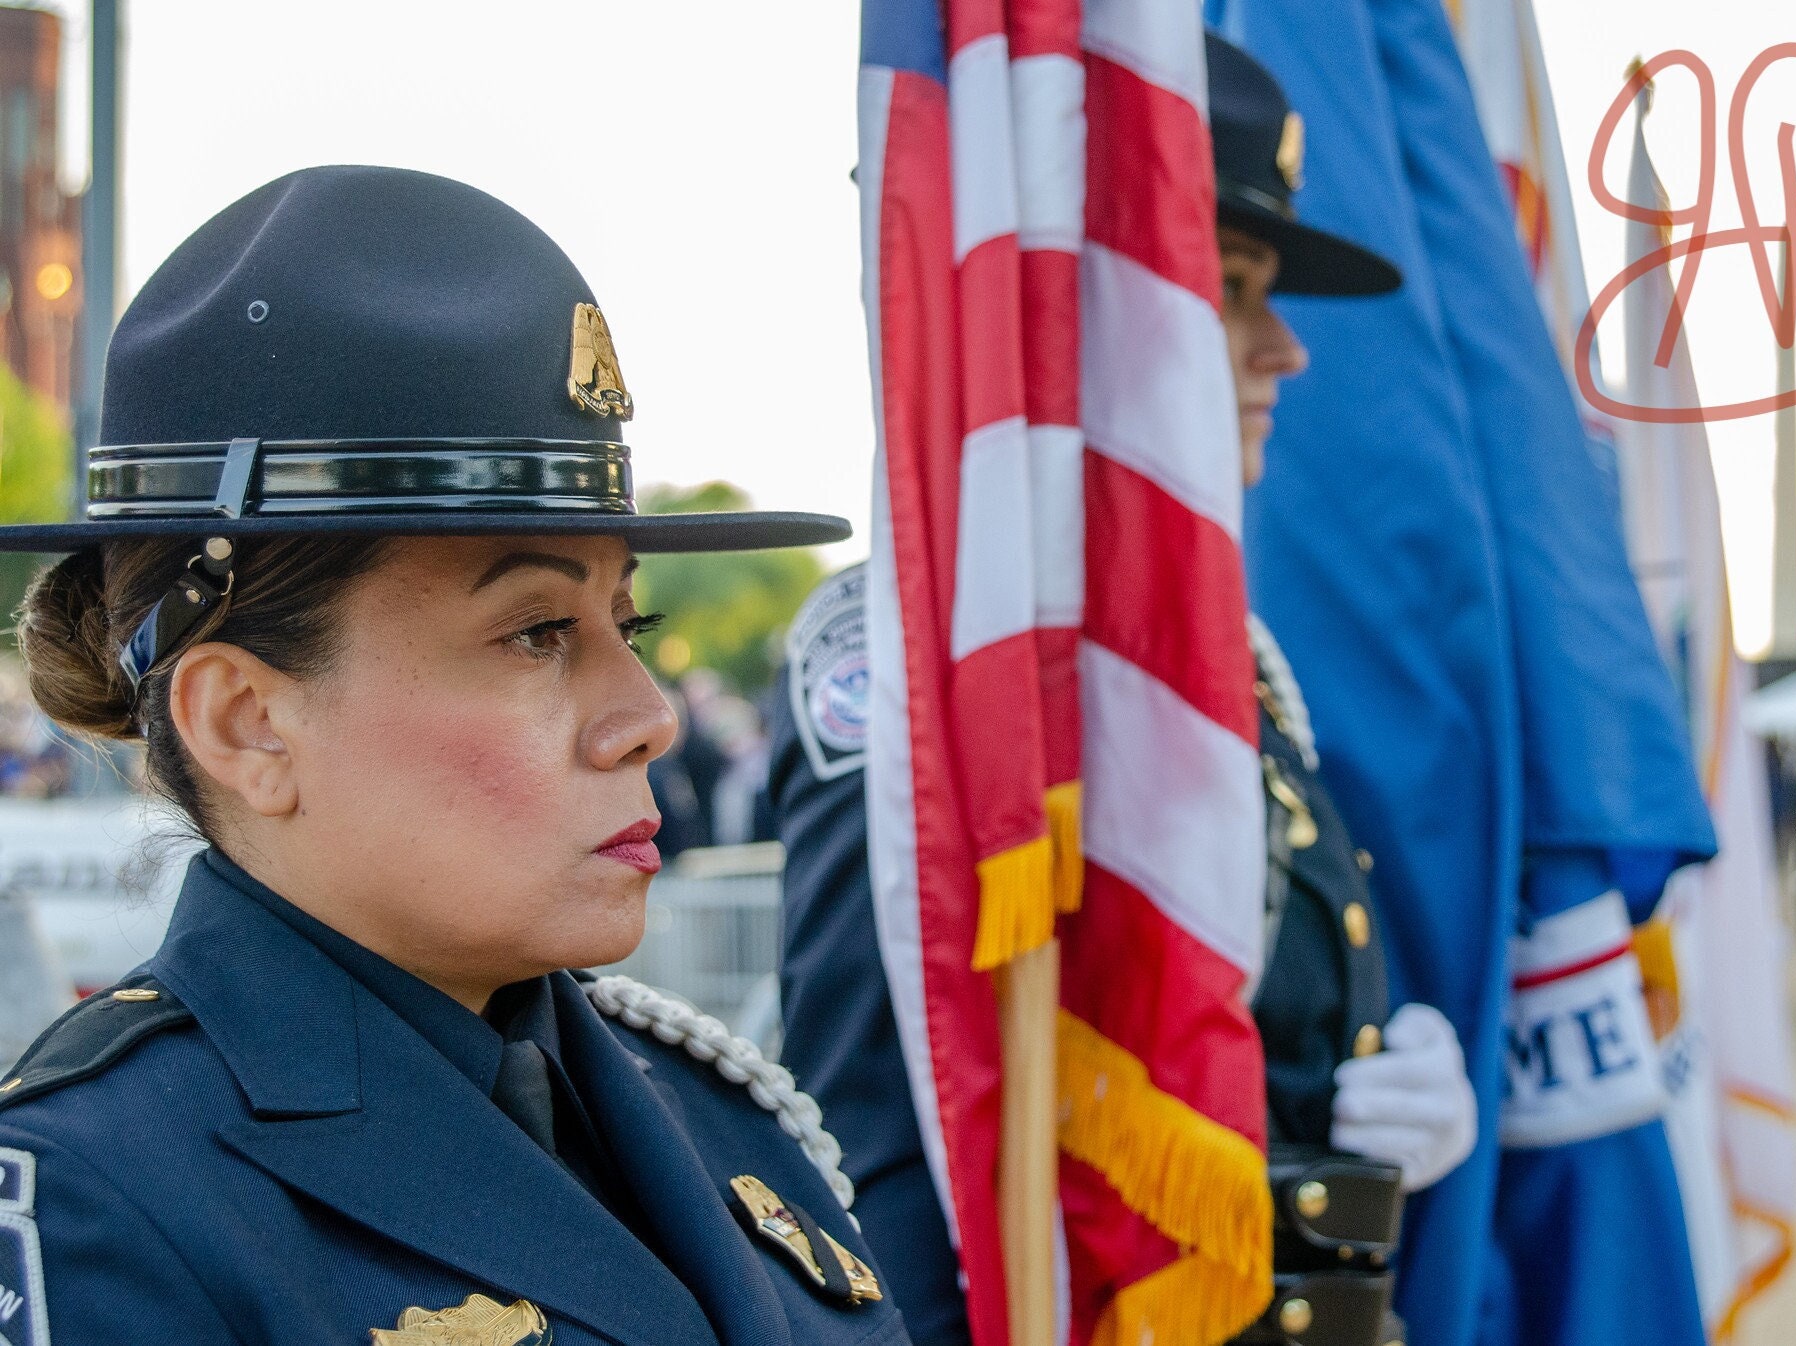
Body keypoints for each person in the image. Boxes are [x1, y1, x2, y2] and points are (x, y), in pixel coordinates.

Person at [0, 166, 910, 1346]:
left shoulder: (708, 1099)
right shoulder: (91, 1193)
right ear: (245, 724)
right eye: (537, 631)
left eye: (621, 625)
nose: (645, 715)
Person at [771, 34, 1476, 1346]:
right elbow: (876, 1133)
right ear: (1092, 303)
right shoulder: (928, 660)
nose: (1285, 352)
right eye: (1231, 286)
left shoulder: (1214, 655)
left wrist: (1360, 1095)